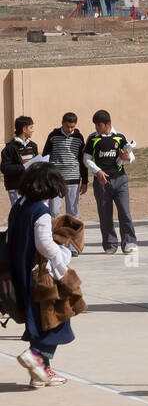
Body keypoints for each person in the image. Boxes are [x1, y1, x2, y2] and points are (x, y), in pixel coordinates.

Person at [8, 163, 83, 388]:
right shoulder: (40, 211)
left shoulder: (19, 206)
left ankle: (41, 372)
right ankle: (36, 354)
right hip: (39, 276)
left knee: (39, 321)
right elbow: (44, 246)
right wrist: (62, 260)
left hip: (20, 271)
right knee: (58, 316)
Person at [84, 111, 137, 255]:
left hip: (120, 180)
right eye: (95, 125)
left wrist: (127, 157)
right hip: (101, 183)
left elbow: (131, 156)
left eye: (99, 125)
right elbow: (86, 159)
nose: (96, 127)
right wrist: (98, 171)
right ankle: (110, 244)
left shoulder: (120, 137)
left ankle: (129, 242)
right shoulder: (93, 139)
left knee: (125, 212)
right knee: (105, 214)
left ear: (108, 124)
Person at [41, 113, 88, 220]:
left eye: (72, 127)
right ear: (62, 123)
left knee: (72, 211)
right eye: (67, 126)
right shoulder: (53, 136)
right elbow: (45, 156)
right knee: (54, 210)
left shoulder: (79, 138)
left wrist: (85, 181)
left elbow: (82, 160)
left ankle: (72, 236)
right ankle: (52, 236)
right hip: (55, 179)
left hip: (73, 179)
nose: (70, 129)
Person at [1, 116, 39, 207]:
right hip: (16, 187)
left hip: (31, 187)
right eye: (31, 128)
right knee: (19, 213)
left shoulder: (33, 146)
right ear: (24, 129)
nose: (32, 130)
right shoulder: (10, 148)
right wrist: (23, 167)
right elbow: (5, 168)